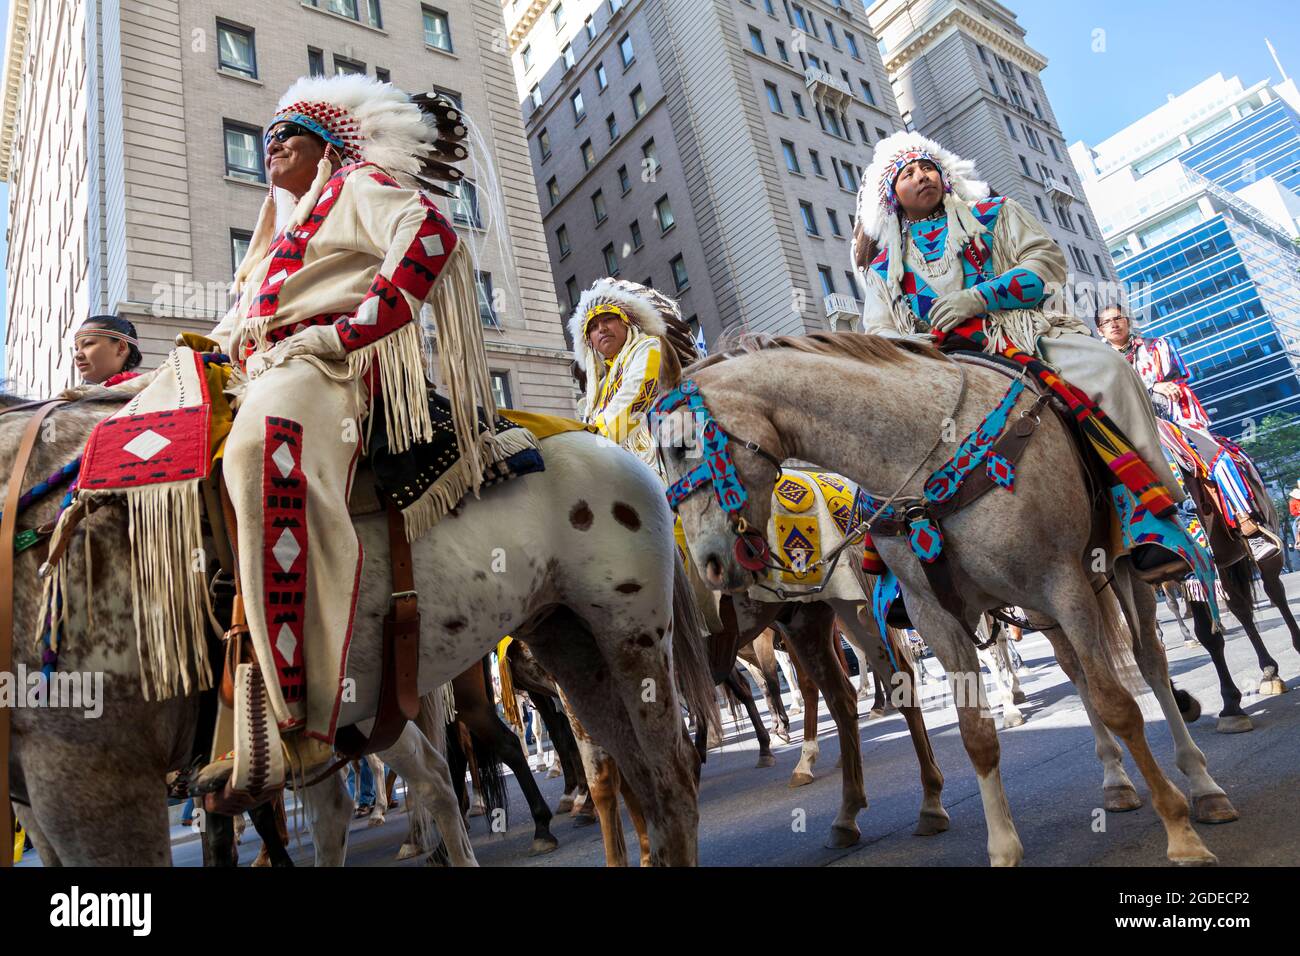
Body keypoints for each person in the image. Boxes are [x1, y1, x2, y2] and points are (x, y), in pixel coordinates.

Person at [204, 74, 491, 768]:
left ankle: (296, 707)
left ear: (328, 147)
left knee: (258, 452)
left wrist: (347, 334)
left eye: (289, 137)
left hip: (328, 369)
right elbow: (233, 323)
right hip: (264, 366)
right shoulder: (276, 235)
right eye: (269, 138)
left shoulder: (357, 186)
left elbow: (431, 235)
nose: (272, 147)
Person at [854, 132, 1188, 581]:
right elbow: (879, 333)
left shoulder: (993, 214)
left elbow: (1047, 266)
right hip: (935, 365)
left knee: (1109, 370)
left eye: (927, 167)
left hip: (1020, 336)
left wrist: (980, 297)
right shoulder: (881, 269)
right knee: (869, 438)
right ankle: (901, 578)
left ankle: (1145, 514)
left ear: (944, 175)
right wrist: (918, 345)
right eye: (908, 174)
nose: (922, 176)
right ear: (891, 197)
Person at [1096, 303, 1272, 547]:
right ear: (1100, 331)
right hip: (1131, 429)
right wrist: (1150, 387)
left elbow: (1174, 384)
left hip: (1174, 420)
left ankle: (1247, 520)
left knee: (1218, 457)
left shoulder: (1157, 346)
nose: (1114, 324)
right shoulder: (1101, 363)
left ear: (1127, 321)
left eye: (1118, 318)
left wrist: (1156, 388)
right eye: (1107, 322)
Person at [73, 315, 144, 386]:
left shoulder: (149, 392)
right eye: (77, 349)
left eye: (88, 344)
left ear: (121, 347)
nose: (77, 355)